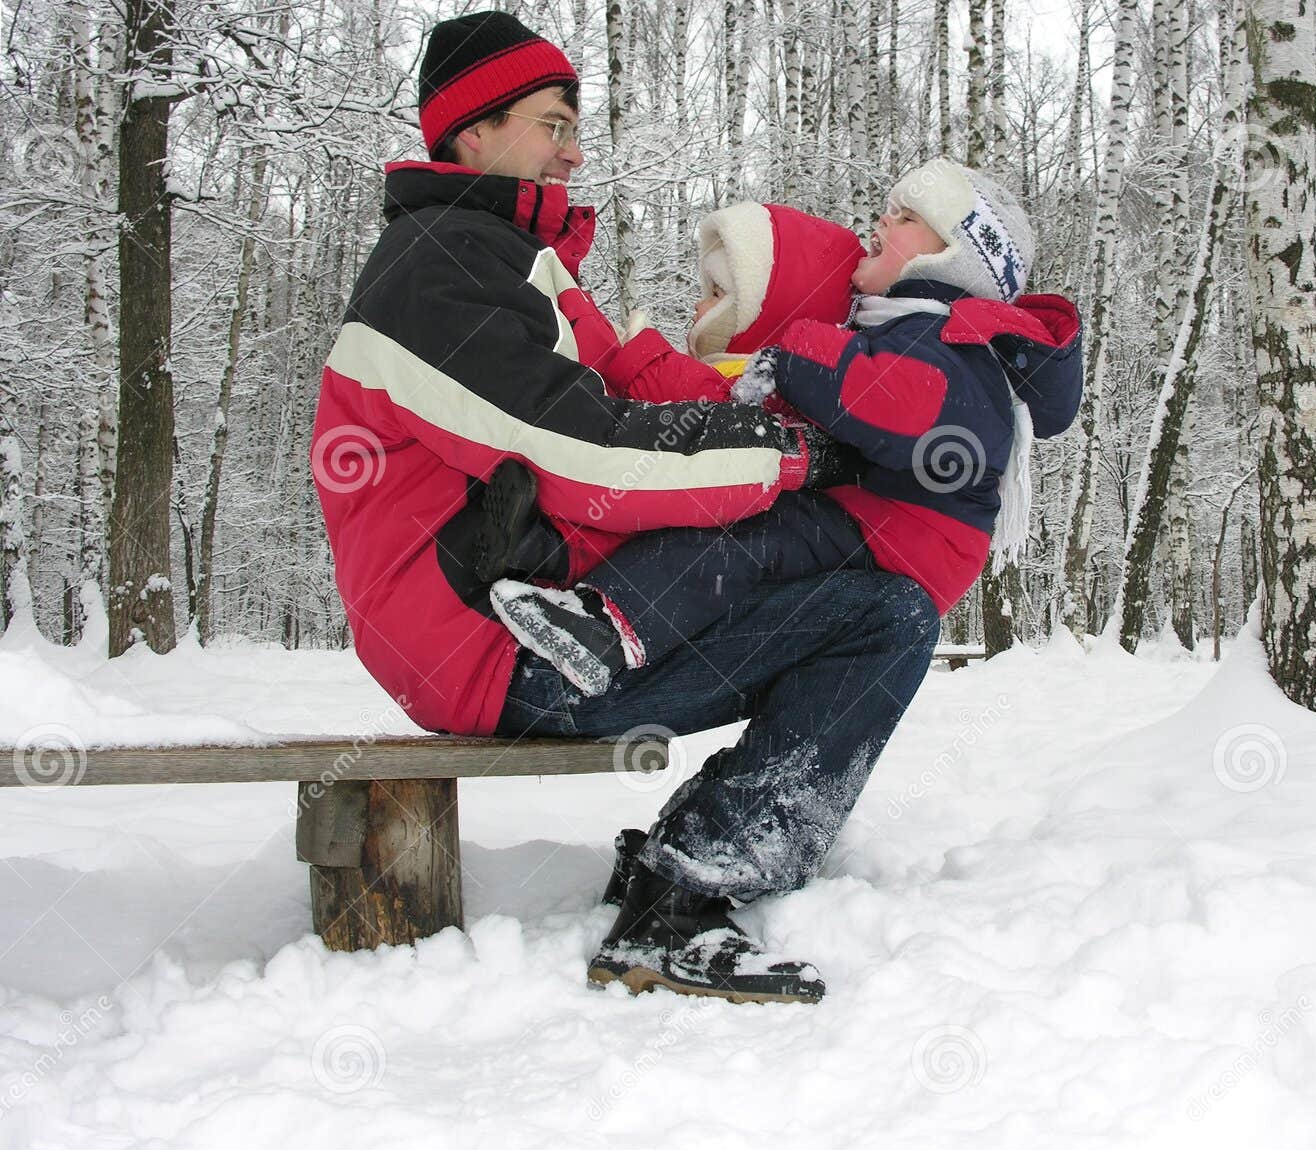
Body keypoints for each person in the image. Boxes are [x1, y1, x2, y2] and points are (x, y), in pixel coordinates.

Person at [312, 11, 943, 1005]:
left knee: (865, 596)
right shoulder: (438, 268)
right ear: (474, 130)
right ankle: (688, 894)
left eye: (574, 126)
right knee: (881, 617)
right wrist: (788, 460)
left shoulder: (514, 260)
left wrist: (797, 406)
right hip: (494, 645)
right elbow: (580, 454)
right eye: (552, 123)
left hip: (527, 614)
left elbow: (630, 386)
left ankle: (690, 852)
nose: (572, 149)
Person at [489, 159, 1084, 697]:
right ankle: (577, 586)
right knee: (731, 523)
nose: (881, 219)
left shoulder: (952, 348)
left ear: (949, 255)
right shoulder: (918, 336)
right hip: (880, 524)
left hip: (897, 535)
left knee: (739, 544)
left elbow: (891, 402)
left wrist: (793, 355)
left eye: (905, 218)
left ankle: (605, 630)